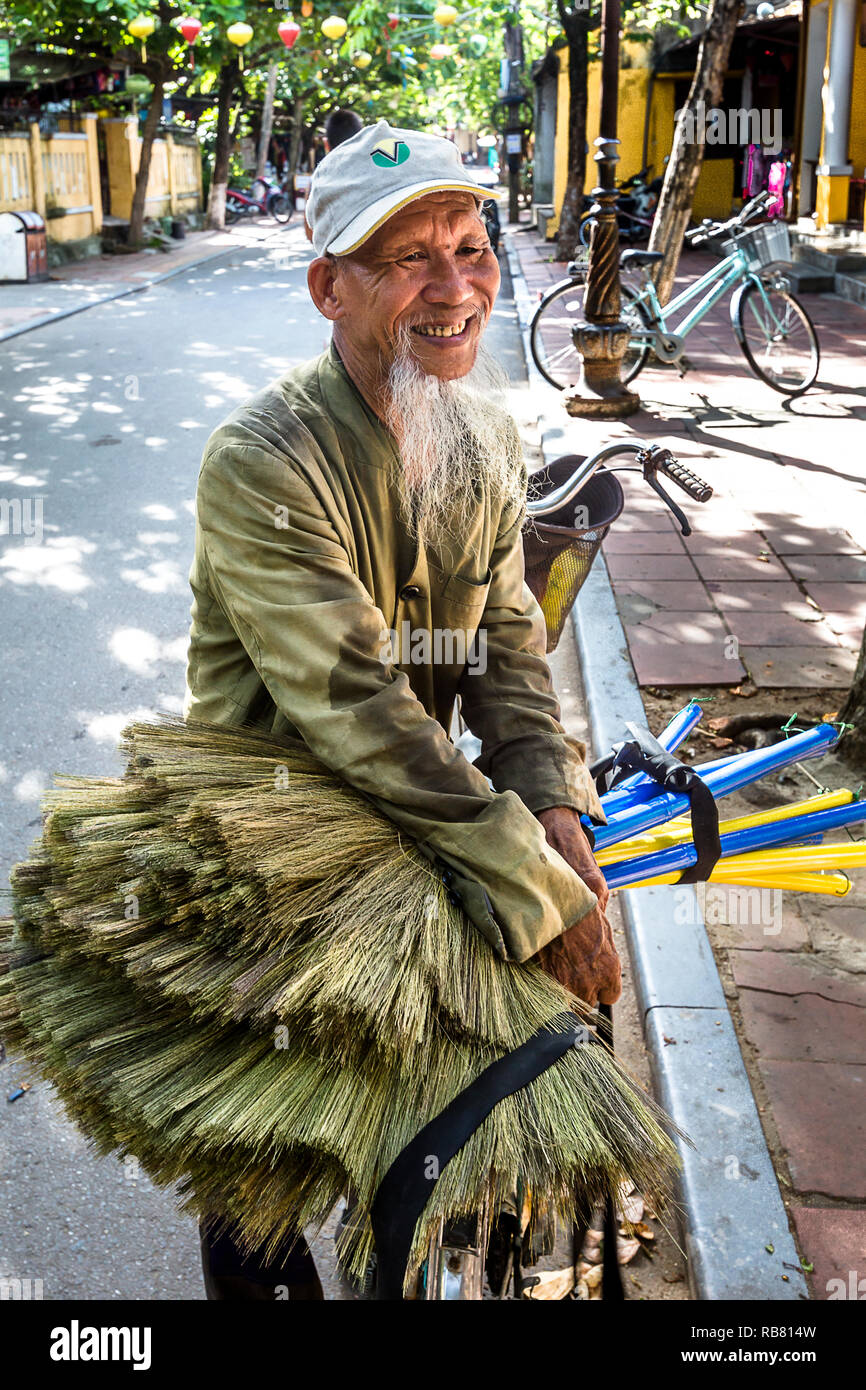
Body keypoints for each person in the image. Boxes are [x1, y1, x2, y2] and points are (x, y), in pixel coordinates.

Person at [184, 119, 621, 1300]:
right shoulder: (262, 460)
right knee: (262, 1161)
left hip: (423, 821)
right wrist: (529, 887)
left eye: (470, 248)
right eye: (407, 258)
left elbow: (508, 651)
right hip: (273, 835)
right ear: (330, 288)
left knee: (428, 1134)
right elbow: (355, 706)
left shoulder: (479, 428)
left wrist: (557, 817)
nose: (453, 287)